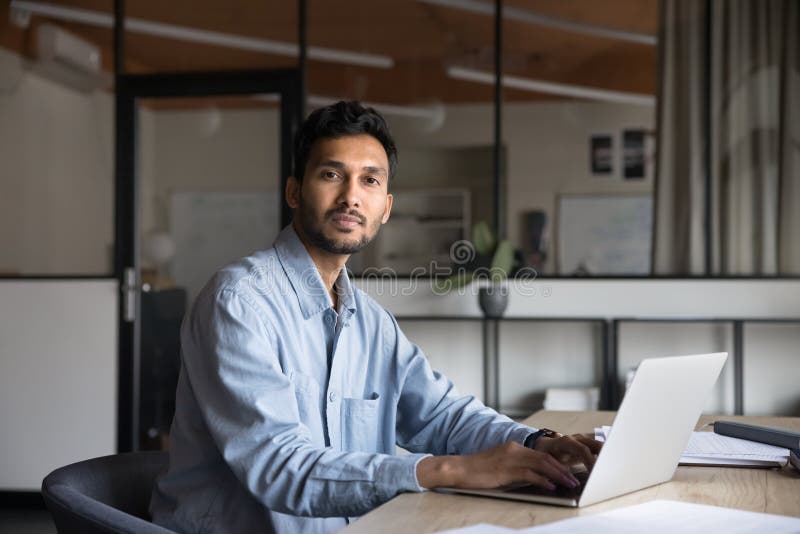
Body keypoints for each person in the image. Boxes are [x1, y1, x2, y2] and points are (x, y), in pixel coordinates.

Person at [150, 101, 600, 533]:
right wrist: (453, 470)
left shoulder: (370, 322)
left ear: (385, 208)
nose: (351, 196)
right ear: (293, 191)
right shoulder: (238, 302)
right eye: (331, 174)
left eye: (369, 181)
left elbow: (441, 415)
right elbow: (278, 466)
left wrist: (536, 442)